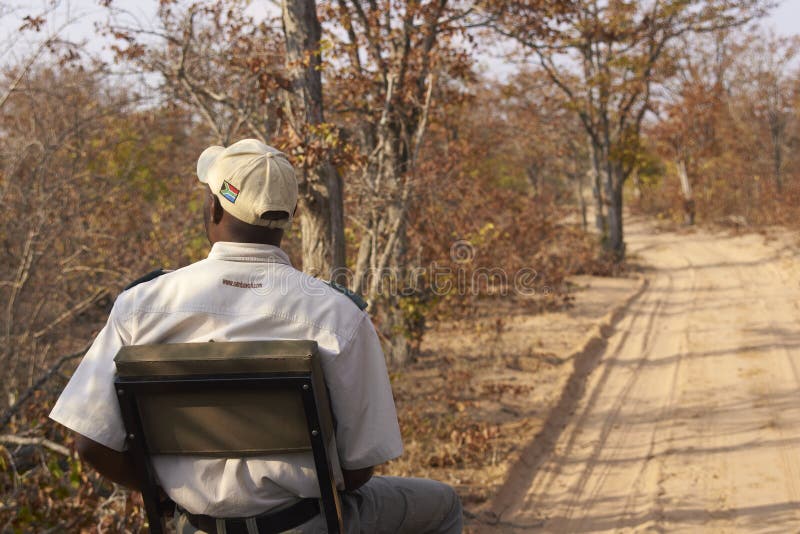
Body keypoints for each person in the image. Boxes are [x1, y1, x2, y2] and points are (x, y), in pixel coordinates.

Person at [49, 139, 462, 534]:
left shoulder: (141, 305)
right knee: (443, 506)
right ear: (290, 213)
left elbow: (90, 444)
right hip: (305, 522)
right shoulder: (338, 315)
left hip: (196, 524)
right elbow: (357, 471)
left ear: (213, 208)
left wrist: (162, 490)